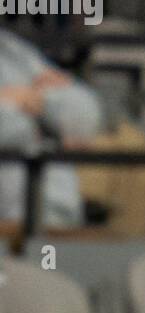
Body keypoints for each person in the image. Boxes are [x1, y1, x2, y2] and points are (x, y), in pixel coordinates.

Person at [0, 29, 102, 230]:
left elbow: (85, 115)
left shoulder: (10, 49)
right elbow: (12, 129)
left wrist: (42, 102)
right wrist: (29, 113)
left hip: (54, 222)